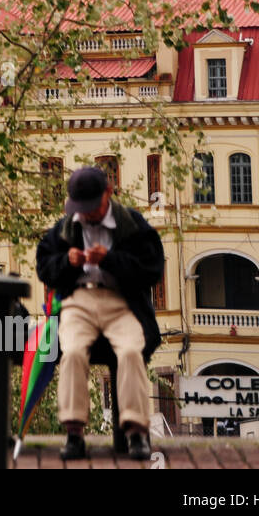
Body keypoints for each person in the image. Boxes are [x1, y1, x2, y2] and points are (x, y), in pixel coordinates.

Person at [36, 166, 164, 461]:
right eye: (80, 208)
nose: (86, 215)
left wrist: (110, 261)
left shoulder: (132, 224)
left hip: (122, 302)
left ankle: (136, 433)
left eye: (91, 208)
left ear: (108, 194)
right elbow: (44, 266)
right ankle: (74, 433)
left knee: (132, 350)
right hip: (79, 302)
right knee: (72, 351)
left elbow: (152, 270)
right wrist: (66, 262)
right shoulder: (66, 227)